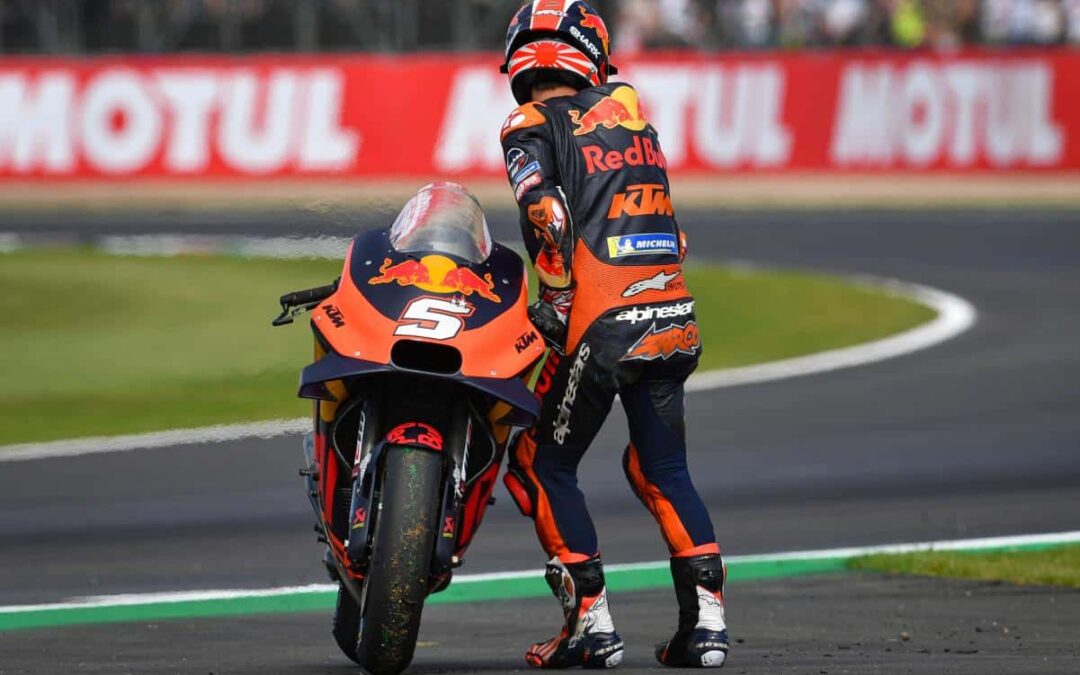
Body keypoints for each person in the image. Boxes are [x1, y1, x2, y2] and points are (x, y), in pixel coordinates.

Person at [498, 1, 729, 669]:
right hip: (672, 316)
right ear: (592, 54)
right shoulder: (633, 118)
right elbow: (673, 229)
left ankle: (591, 625)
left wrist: (559, 295)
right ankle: (707, 627)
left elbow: (545, 211)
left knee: (541, 463)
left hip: (601, 323)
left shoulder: (528, 123)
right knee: (661, 469)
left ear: (519, 59)